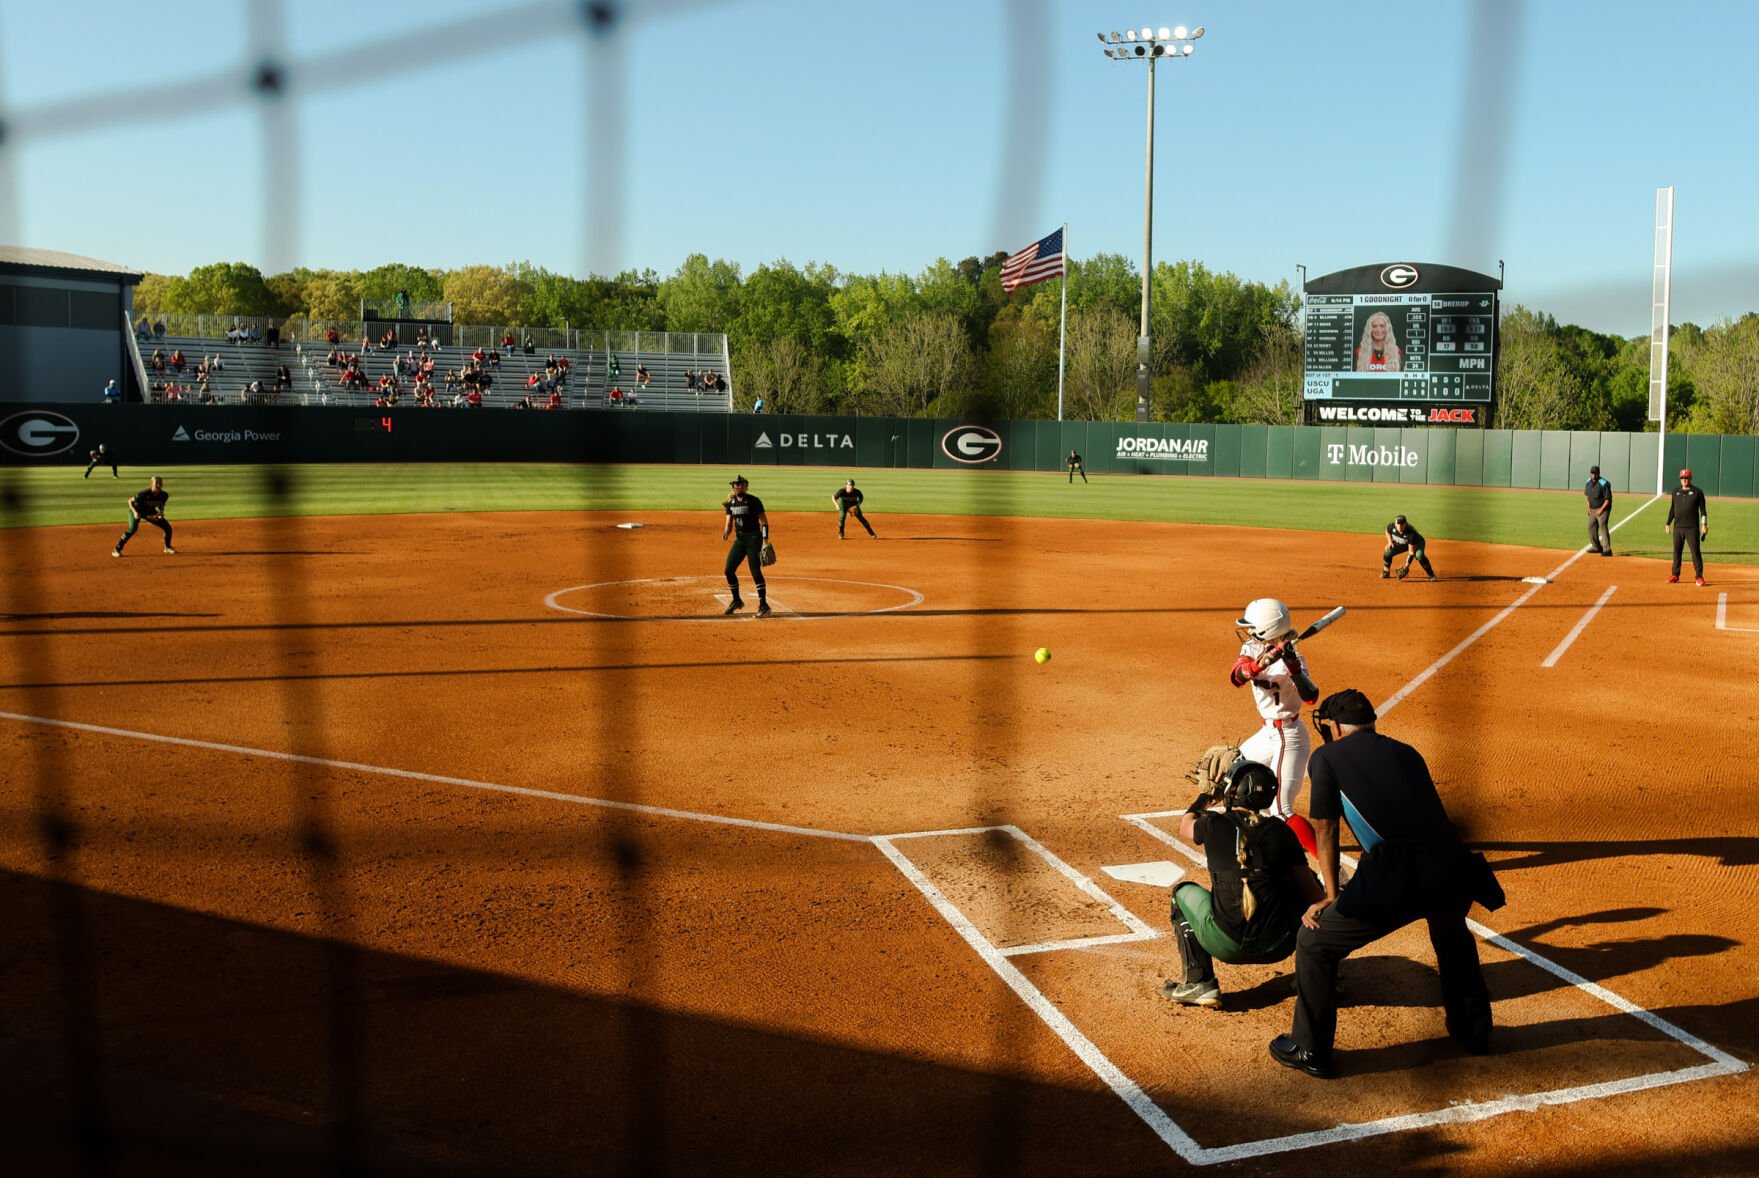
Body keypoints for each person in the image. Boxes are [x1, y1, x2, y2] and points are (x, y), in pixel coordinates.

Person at [1268, 689, 1499, 1079]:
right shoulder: (1407, 752)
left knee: (1314, 942)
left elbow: (1325, 828)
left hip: (1398, 872)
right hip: (1453, 866)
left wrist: (1330, 894)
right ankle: (1475, 1031)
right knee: (1450, 933)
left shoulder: (1326, 757)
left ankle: (1311, 1050)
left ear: (1336, 727)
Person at [1164, 757, 1324, 1008]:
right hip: (1278, 944)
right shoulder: (1282, 832)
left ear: (1233, 791)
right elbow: (1315, 897)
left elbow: (1185, 825)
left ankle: (1200, 982)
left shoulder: (1212, 824)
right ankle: (1321, 976)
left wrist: (1205, 797)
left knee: (1182, 893)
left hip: (1225, 943)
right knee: (1314, 887)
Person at [1228, 598, 1320, 827]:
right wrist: (1260, 663)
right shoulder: (1252, 647)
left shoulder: (1295, 660)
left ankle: (1329, 863)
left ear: (1266, 629)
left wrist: (1293, 668)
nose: (1248, 631)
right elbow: (1236, 677)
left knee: (1281, 810)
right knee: (1231, 778)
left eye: (1252, 627)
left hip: (1288, 735)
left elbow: (1311, 697)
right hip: (1267, 734)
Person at [721, 475, 772, 618]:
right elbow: (729, 523)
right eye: (736, 485)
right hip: (740, 540)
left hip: (754, 538)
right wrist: (726, 533)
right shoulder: (731, 503)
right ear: (733, 487)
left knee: (755, 571)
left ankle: (764, 605)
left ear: (746, 486)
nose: (739, 487)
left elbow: (764, 522)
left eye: (742, 484)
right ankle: (736, 600)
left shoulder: (754, 501)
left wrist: (765, 540)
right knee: (729, 570)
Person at [1664, 467, 1709, 586]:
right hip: (1678, 527)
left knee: (1695, 552)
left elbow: (1703, 510)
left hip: (1692, 528)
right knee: (1677, 551)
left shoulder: (1697, 492)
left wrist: (1704, 524)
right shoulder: (1675, 492)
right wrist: (1668, 523)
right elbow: (1672, 509)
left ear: (1690, 478)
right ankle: (1675, 574)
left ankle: (1699, 576)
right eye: (1682, 478)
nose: (1684, 480)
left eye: (1686, 478)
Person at [113, 476, 176, 557]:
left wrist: (160, 513)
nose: (159, 485)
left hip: (149, 512)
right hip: (137, 511)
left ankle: (167, 547)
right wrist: (135, 512)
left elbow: (161, 506)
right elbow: (130, 501)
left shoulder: (164, 495)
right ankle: (117, 549)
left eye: (160, 483)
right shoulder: (143, 494)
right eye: (157, 483)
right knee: (132, 529)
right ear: (151, 484)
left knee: (167, 527)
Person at [1382, 515, 1435, 579]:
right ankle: (1386, 571)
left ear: (1406, 524)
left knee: (1419, 555)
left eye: (1402, 524)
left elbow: (1411, 553)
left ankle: (1431, 575)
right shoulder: (1391, 526)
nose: (1400, 526)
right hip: (1404, 543)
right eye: (1398, 524)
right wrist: (1389, 542)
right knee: (1388, 550)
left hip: (1417, 542)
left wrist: (1406, 567)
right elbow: (1387, 531)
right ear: (1395, 524)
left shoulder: (1411, 533)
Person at [1584, 464, 1613, 555]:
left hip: (1603, 509)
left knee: (1602, 526)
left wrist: (1601, 510)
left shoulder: (1604, 483)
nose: (1593, 475)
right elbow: (1588, 496)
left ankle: (1607, 550)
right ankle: (1597, 547)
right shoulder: (1588, 482)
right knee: (1591, 527)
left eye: (1595, 474)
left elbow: (1608, 500)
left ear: (1598, 474)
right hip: (1592, 509)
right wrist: (1588, 506)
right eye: (1592, 473)